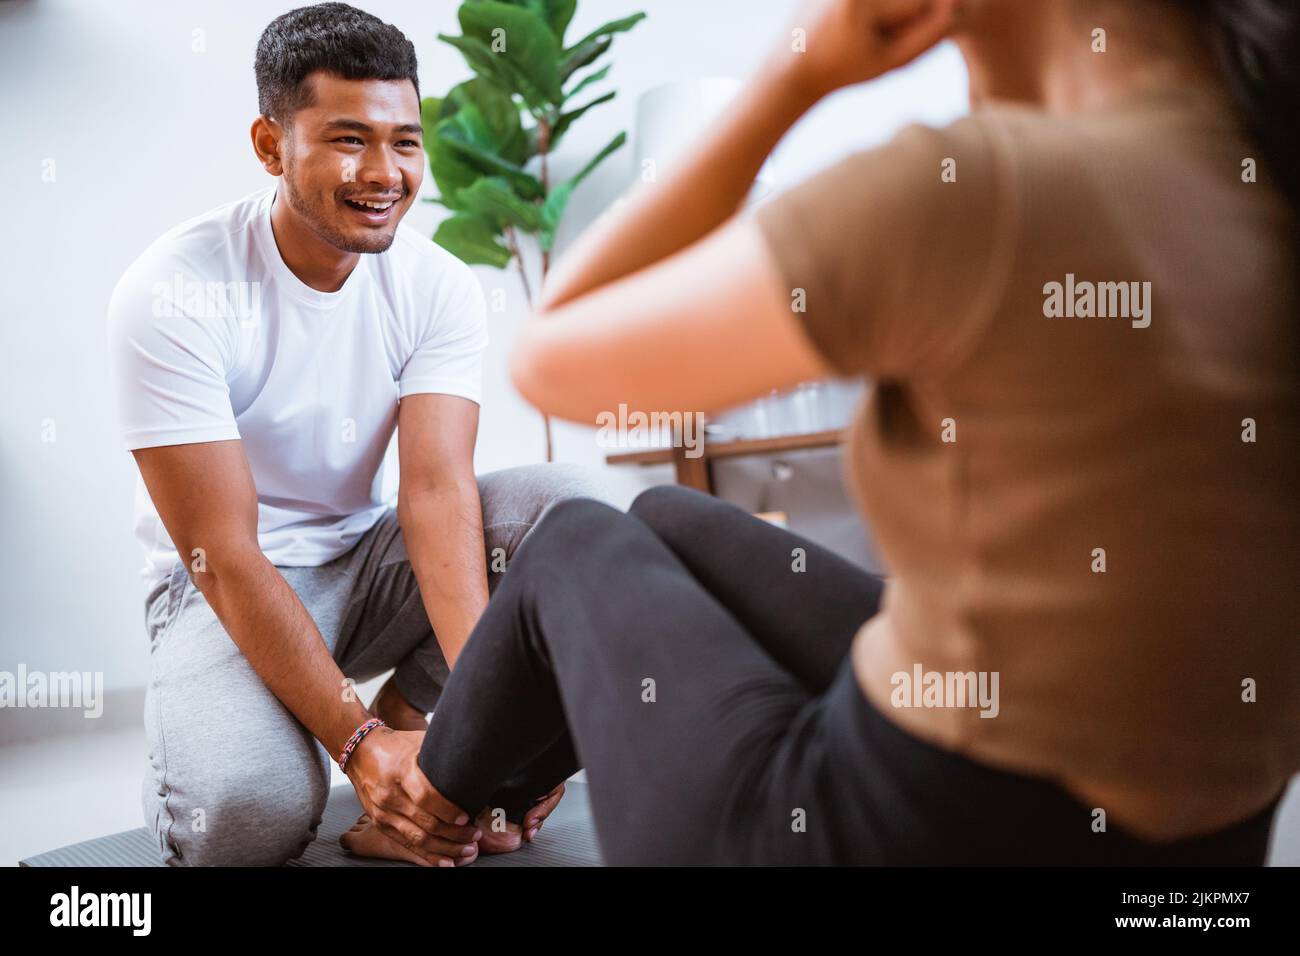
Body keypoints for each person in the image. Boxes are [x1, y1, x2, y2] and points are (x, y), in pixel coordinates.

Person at [342, 0, 1300, 865]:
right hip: (1203, 834)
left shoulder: (985, 185)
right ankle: (495, 781)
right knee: (673, 516)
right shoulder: (1254, 168)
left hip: (908, 825)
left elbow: (552, 359)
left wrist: (796, 76)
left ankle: (425, 803)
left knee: (575, 537)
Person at [106, 3, 597, 867]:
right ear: (270, 145)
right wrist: (358, 749)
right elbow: (222, 548)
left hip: (370, 566)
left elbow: (438, 493)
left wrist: (469, 753)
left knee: (568, 509)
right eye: (347, 139)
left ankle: (416, 742)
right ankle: (201, 760)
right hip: (223, 587)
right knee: (247, 820)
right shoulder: (174, 289)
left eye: (405, 141)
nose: (386, 173)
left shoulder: (435, 285)